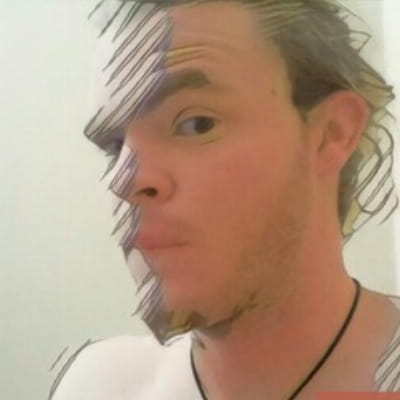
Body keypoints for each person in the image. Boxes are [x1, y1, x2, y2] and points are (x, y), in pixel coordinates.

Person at [50, 0, 400, 399]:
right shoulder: (98, 386)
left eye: (196, 124)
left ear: (331, 133)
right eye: (115, 147)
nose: (123, 181)